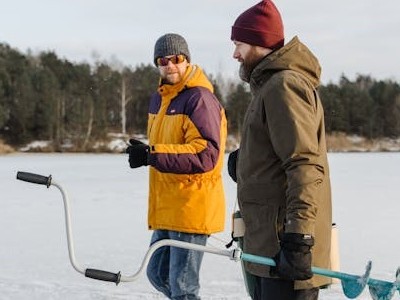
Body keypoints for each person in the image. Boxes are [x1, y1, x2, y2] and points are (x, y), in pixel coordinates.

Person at [227, 1, 332, 299]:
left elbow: (304, 164)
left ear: (260, 42)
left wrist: (299, 237)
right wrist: (246, 163)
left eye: (239, 44)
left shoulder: (283, 86)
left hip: (283, 246)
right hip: (267, 245)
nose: (235, 53)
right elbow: (279, 152)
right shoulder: (268, 86)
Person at [126, 33, 227, 299]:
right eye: (163, 60)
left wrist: (152, 154)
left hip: (191, 205)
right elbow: (170, 145)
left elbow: (206, 154)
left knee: (183, 286)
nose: (170, 65)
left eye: (176, 59)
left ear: (187, 60)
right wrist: (145, 150)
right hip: (168, 205)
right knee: (157, 274)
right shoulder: (159, 100)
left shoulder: (199, 99)